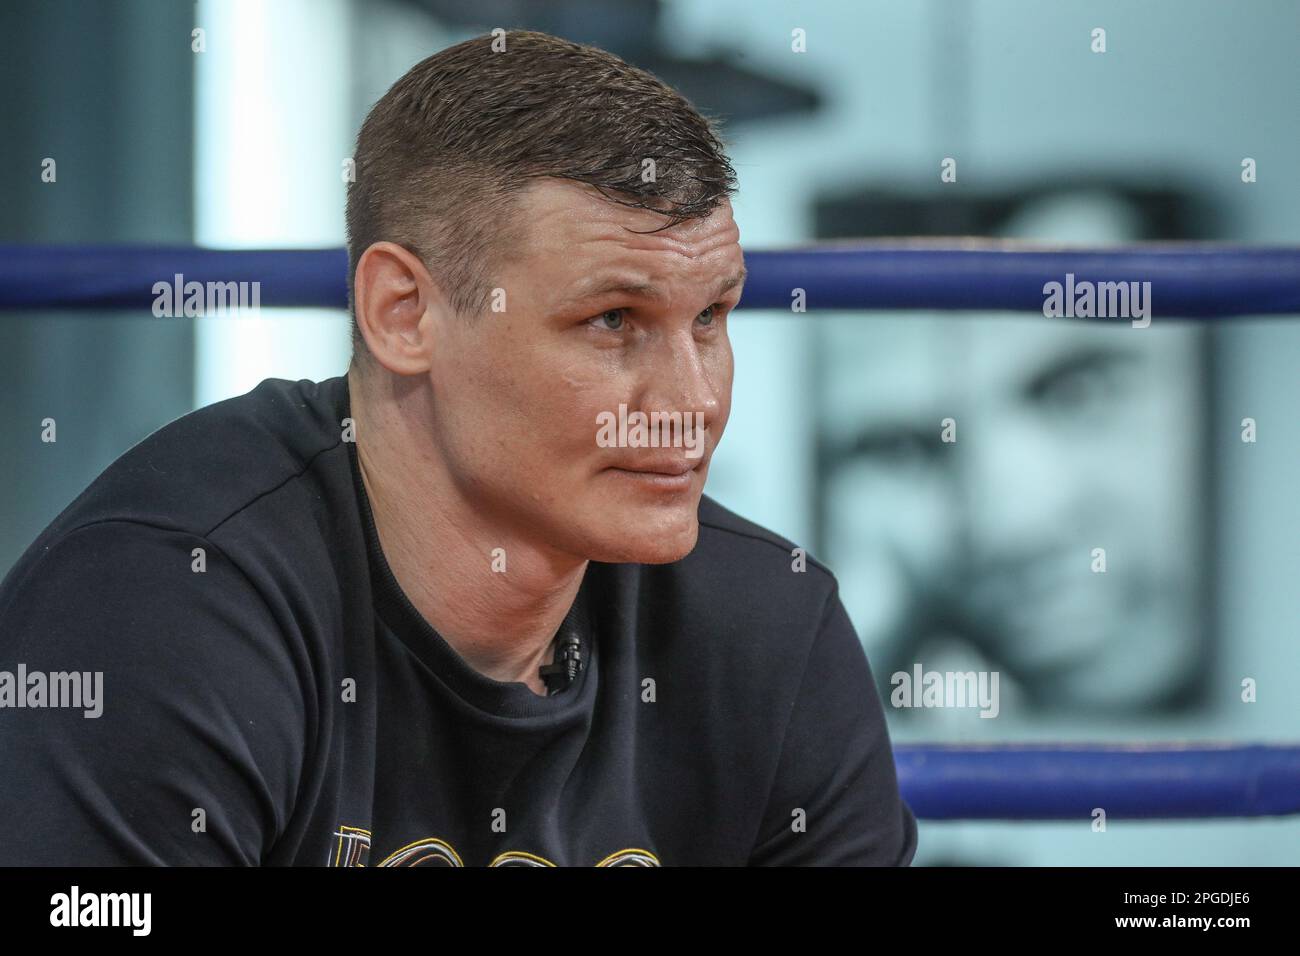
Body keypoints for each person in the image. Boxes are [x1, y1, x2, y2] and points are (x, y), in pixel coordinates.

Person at [0, 30, 916, 866]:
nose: (694, 403)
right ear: (405, 314)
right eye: (611, 319)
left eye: (710, 315)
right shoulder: (165, 604)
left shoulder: (768, 627)